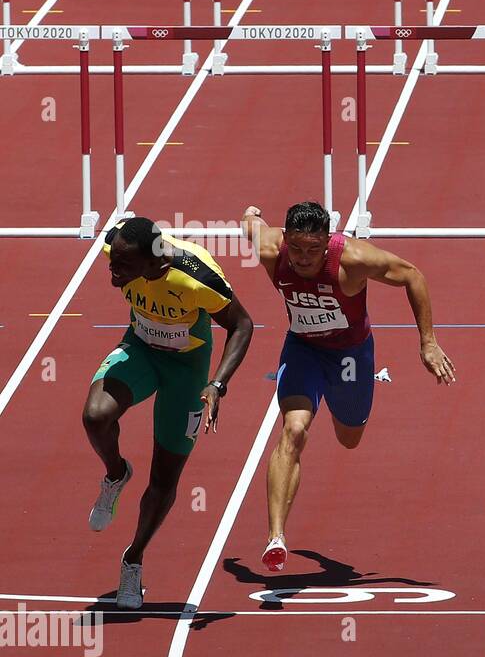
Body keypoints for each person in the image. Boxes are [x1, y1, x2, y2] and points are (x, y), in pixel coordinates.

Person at [240, 202, 455, 571]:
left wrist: (428, 342)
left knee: (349, 437)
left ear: (329, 241)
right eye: (297, 249)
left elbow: (412, 275)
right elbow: (251, 225)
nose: (304, 258)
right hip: (303, 349)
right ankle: (276, 536)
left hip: (351, 357)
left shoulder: (353, 259)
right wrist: (250, 214)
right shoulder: (270, 250)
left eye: (313, 249)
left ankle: (347, 409)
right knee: (293, 429)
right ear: (286, 240)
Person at [84, 217, 254, 609]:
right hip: (140, 350)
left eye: (123, 267)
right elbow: (116, 242)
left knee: (164, 476)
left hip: (186, 370)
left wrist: (217, 384)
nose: (113, 271)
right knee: (95, 416)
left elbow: (242, 325)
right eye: (114, 261)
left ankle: (134, 558)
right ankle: (115, 474)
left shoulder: (196, 277)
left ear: (153, 264)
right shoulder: (118, 244)